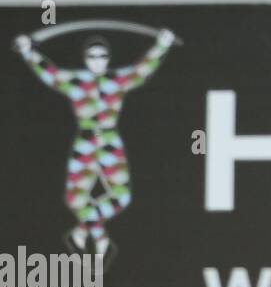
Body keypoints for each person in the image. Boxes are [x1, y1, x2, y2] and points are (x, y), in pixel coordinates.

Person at [13, 29, 176, 262]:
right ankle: (100, 238)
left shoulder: (117, 80)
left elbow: (143, 69)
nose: (97, 61)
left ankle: (82, 232)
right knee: (74, 198)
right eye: (92, 56)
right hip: (86, 142)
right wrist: (28, 51)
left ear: (108, 59)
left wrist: (162, 45)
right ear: (85, 58)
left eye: (102, 56)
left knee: (122, 196)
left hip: (109, 139)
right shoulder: (76, 81)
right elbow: (50, 74)